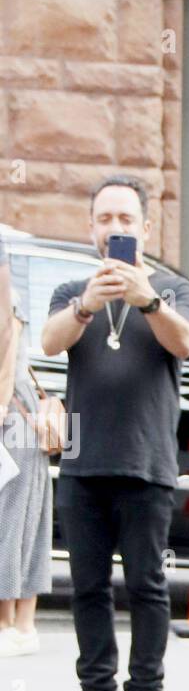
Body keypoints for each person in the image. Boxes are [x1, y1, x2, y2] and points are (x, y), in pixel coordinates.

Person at [41, 175, 189, 691]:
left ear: (145, 229)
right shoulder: (71, 292)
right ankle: (96, 688)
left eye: (126, 220)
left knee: (146, 585)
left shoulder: (173, 291)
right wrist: (88, 303)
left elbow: (185, 343)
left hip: (146, 459)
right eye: (105, 220)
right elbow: (49, 341)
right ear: (91, 229)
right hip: (84, 459)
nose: (115, 230)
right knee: (85, 585)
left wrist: (146, 299)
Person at [0, 274, 53, 656]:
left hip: (12, 419)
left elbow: (6, 368)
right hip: (16, 417)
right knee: (19, 519)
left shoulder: (6, 295)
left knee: (15, 520)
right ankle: (19, 624)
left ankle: (15, 624)